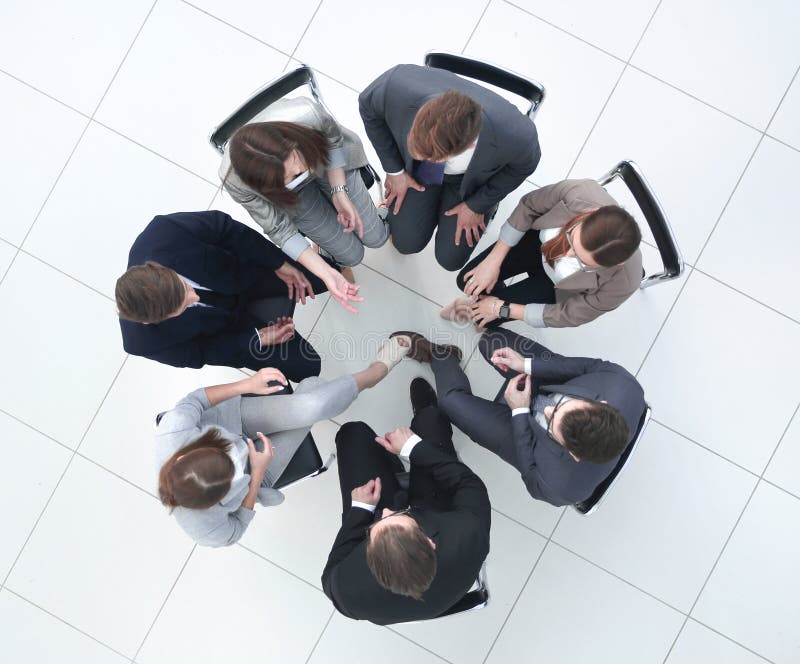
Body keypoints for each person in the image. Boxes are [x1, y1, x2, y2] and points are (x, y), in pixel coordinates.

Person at [156, 336, 411, 547]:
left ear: (183, 456)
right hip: (256, 475)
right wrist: (255, 473)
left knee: (314, 403)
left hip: (232, 422)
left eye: (225, 452)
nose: (241, 452)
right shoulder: (206, 531)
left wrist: (248, 384)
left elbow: (198, 400)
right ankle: (320, 393)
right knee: (313, 391)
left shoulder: (174, 430)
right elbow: (236, 528)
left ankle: (376, 371)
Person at [321, 367, 491, 625]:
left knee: (352, 433)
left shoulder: (347, 592)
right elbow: (468, 483)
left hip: (371, 506)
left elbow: (331, 572)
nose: (387, 511)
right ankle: (425, 414)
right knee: (430, 423)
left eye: (376, 527)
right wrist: (414, 448)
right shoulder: (468, 533)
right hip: (437, 510)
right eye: (397, 516)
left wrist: (361, 511)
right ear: (430, 542)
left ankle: (391, 464)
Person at [400, 329, 646, 506]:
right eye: (563, 407)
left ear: (573, 454)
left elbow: (528, 468)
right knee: (492, 341)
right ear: (600, 404)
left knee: (450, 402)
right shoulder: (624, 386)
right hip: (556, 382)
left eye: (551, 423)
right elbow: (583, 368)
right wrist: (526, 364)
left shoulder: (557, 487)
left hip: (528, 441)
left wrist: (519, 412)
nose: (548, 410)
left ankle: (441, 357)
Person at [359, 64, 541, 271]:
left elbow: (524, 166)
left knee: (450, 260)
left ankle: (485, 207)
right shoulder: (394, 85)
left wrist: (478, 204)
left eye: (432, 155)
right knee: (405, 243)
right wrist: (395, 171)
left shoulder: (517, 137)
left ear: (470, 144)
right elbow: (367, 107)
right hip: (419, 171)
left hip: (471, 180)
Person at [116, 209, 334, 381]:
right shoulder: (142, 342)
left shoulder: (162, 233)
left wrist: (279, 263)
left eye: (185, 288)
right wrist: (257, 339)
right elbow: (203, 353)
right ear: (151, 321)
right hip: (230, 330)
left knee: (326, 276)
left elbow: (227, 229)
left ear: (158, 267)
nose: (195, 298)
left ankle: (315, 246)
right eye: (183, 307)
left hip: (243, 271)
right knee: (308, 367)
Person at [221, 96, 389, 311]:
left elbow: (333, 141)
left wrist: (339, 192)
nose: (300, 175)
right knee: (352, 255)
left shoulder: (307, 115)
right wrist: (325, 273)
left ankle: (377, 216)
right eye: (287, 179)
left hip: (323, 158)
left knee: (376, 237)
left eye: (294, 166)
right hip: (291, 198)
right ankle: (327, 255)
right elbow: (278, 229)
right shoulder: (238, 183)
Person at [443, 179, 643, 329]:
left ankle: (497, 298)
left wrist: (503, 308)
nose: (565, 254)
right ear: (588, 216)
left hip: (557, 286)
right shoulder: (580, 193)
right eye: (571, 238)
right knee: (466, 281)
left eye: (580, 260)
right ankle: (498, 291)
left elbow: (569, 315)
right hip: (535, 244)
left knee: (484, 319)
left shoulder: (623, 282)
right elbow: (529, 206)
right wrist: (493, 261)